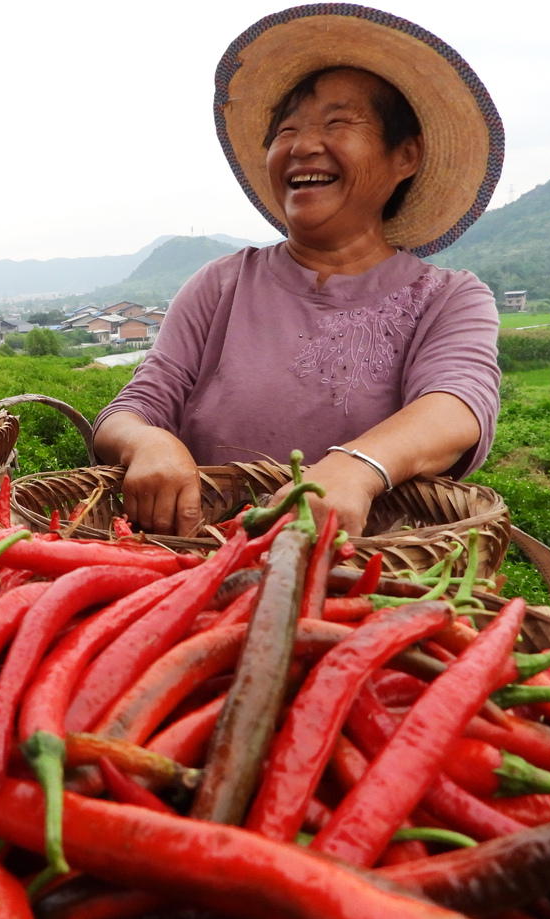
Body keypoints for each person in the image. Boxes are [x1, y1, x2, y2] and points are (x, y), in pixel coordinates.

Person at [92, 6, 503, 538]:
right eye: (287, 130)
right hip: (204, 568)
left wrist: (356, 468)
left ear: (406, 155)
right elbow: (132, 408)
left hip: (368, 576)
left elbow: (456, 405)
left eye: (337, 123)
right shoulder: (222, 285)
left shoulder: (448, 298)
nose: (302, 145)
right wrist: (147, 442)